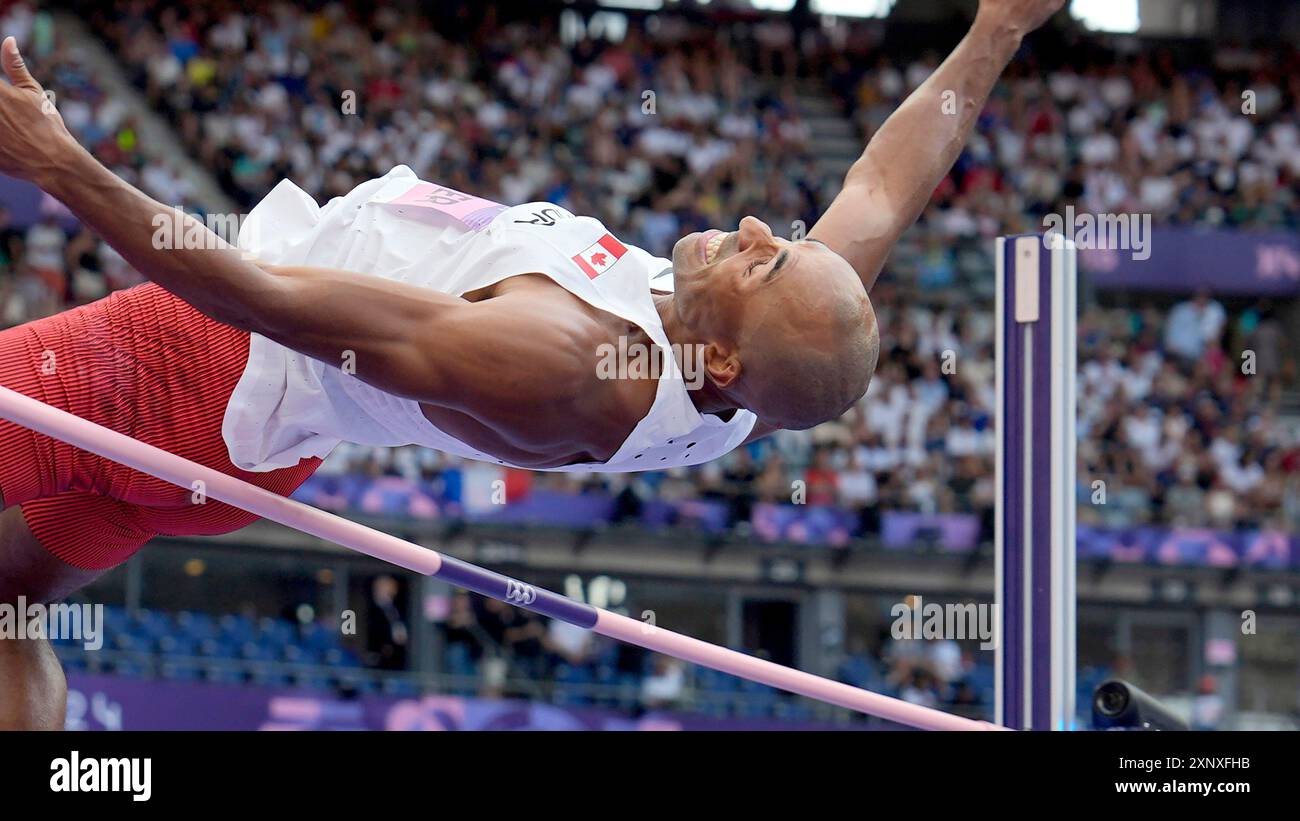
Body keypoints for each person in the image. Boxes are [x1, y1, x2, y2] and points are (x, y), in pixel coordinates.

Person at [0, 0, 1066, 728]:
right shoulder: (762, 377)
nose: (750, 226)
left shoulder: (570, 363)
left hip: (193, 366)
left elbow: (255, 294)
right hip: (251, 460)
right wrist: (997, 28)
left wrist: (55, 158)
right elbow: (882, 191)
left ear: (728, 353)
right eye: (774, 237)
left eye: (763, 256)